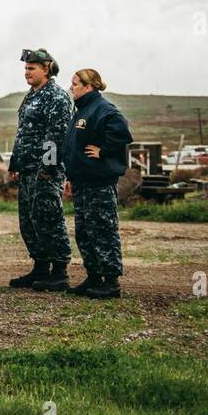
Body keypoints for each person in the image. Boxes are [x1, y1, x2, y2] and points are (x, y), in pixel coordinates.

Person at [7, 48, 74, 291]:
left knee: (49, 217)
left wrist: (48, 166)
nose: (27, 72)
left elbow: (55, 135)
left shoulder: (56, 96)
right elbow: (23, 131)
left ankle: (59, 271)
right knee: (29, 219)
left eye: (31, 68)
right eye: (25, 68)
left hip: (45, 170)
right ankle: (40, 266)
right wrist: (15, 162)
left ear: (46, 69)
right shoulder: (31, 96)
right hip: (27, 168)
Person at [62, 68, 132, 298]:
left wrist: (104, 151)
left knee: (103, 231)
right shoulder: (82, 110)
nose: (71, 87)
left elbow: (122, 133)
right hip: (82, 182)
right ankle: (93, 277)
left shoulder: (103, 110)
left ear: (89, 86)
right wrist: (70, 177)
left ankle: (110, 282)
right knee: (85, 232)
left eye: (75, 84)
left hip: (99, 183)